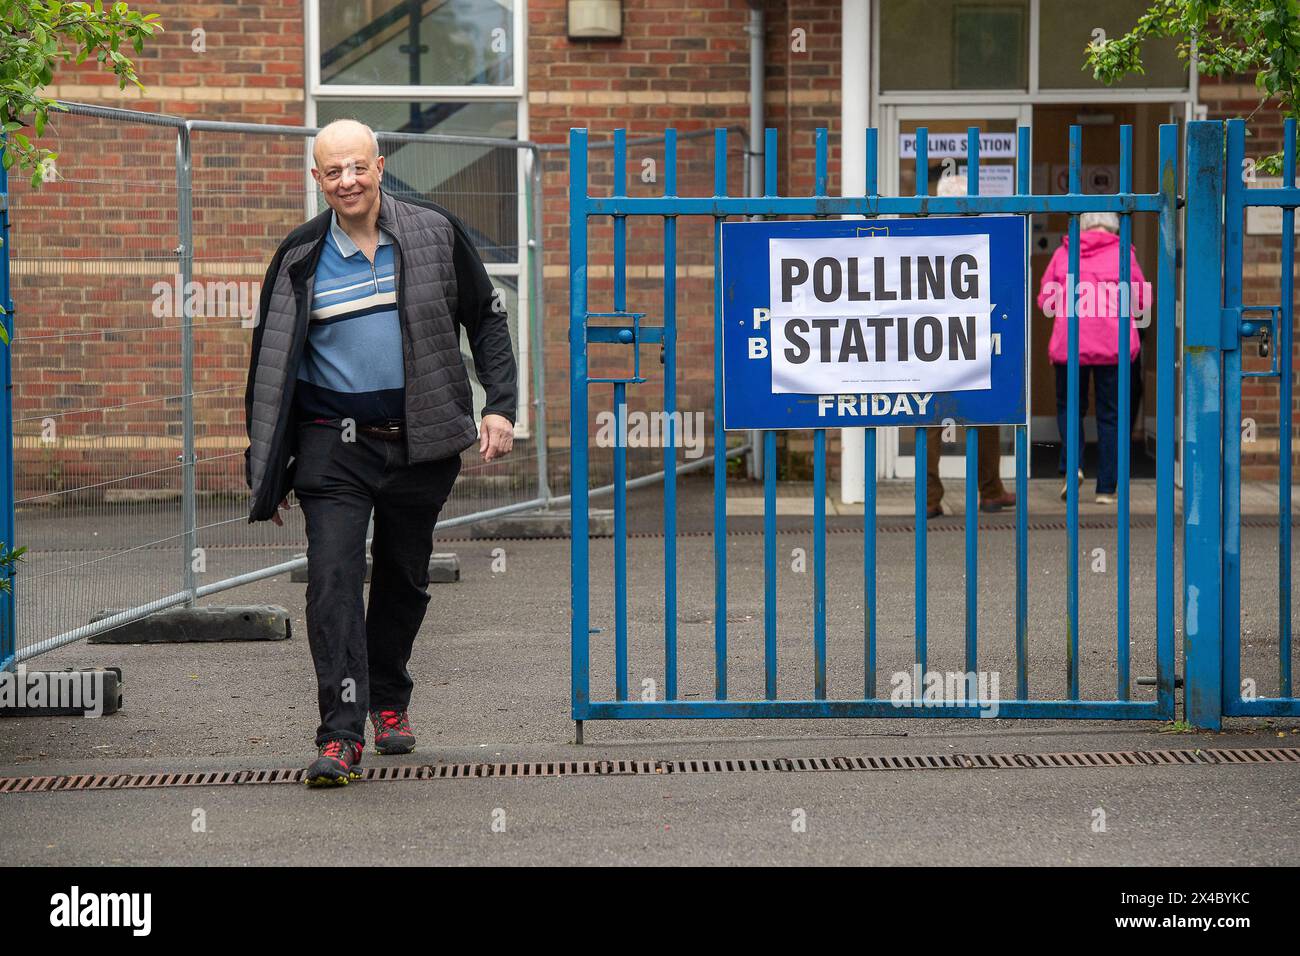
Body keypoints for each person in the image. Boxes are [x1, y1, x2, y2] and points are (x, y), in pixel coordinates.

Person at [243, 119, 518, 787]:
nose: (348, 181)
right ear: (317, 179)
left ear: (380, 165)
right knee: (332, 581)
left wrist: (501, 405)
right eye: (333, 171)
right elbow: (272, 365)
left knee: (403, 579)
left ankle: (389, 700)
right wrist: (269, 468)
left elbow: (486, 315)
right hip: (331, 449)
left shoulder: (432, 233)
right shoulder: (299, 256)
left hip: (420, 442)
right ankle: (340, 736)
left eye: (358, 167)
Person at [1036, 210, 1145, 505]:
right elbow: (1141, 303)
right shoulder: (1124, 254)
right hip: (1114, 346)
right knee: (1110, 415)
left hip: (1071, 347)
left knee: (1071, 409)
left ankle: (1073, 469)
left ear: (1082, 225)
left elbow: (1045, 301)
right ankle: (1107, 489)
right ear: (1114, 226)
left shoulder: (1064, 253)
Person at [926, 172, 1015, 519]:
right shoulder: (982, 232)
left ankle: (929, 497)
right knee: (983, 412)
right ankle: (990, 491)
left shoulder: (923, 232)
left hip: (927, 338)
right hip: (972, 334)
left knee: (929, 416)